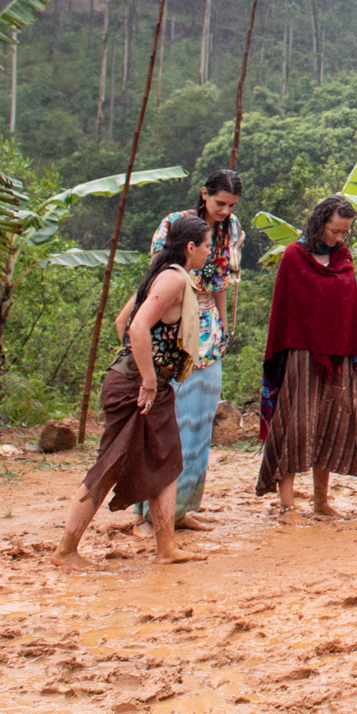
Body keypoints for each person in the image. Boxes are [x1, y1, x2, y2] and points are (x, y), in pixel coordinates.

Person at [55, 216, 211, 568]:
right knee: (110, 467)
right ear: (190, 248)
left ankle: (166, 548)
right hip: (140, 388)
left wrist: (142, 367)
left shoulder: (164, 275)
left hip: (143, 384)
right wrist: (148, 379)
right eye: (205, 245)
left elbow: (121, 322)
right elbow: (138, 326)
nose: (208, 251)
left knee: (167, 463)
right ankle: (65, 551)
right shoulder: (172, 279)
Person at [123, 169, 244, 531]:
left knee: (199, 424)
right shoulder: (175, 224)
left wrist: (223, 326)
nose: (224, 211)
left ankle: (182, 508)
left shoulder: (232, 228)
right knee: (167, 422)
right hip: (175, 324)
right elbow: (157, 276)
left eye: (231, 205)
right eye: (220, 203)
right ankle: (151, 513)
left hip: (209, 328)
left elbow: (222, 281)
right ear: (204, 194)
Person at [255, 194, 357, 518]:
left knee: (327, 429)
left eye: (344, 232)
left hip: (338, 360)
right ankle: (287, 506)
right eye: (335, 231)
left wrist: (352, 355)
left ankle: (321, 503)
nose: (339, 238)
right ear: (320, 223)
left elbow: (350, 310)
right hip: (301, 358)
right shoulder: (294, 256)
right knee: (295, 427)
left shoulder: (344, 257)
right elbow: (283, 313)